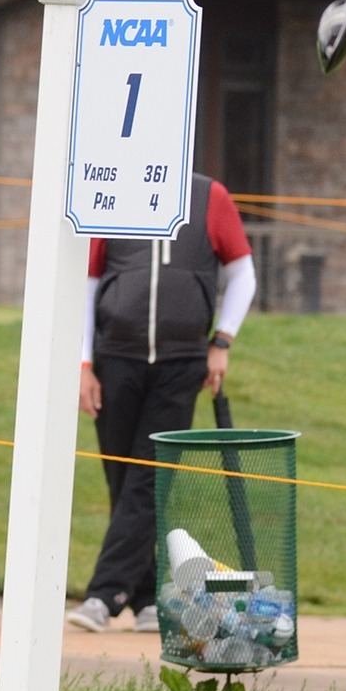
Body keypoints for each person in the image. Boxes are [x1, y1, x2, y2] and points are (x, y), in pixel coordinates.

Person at [66, 174, 256, 632]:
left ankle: (103, 594)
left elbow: (242, 273)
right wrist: (84, 363)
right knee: (122, 479)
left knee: (149, 481)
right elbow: (89, 283)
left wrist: (222, 342)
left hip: (180, 363)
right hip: (115, 359)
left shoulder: (210, 196)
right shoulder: (111, 189)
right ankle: (147, 598)